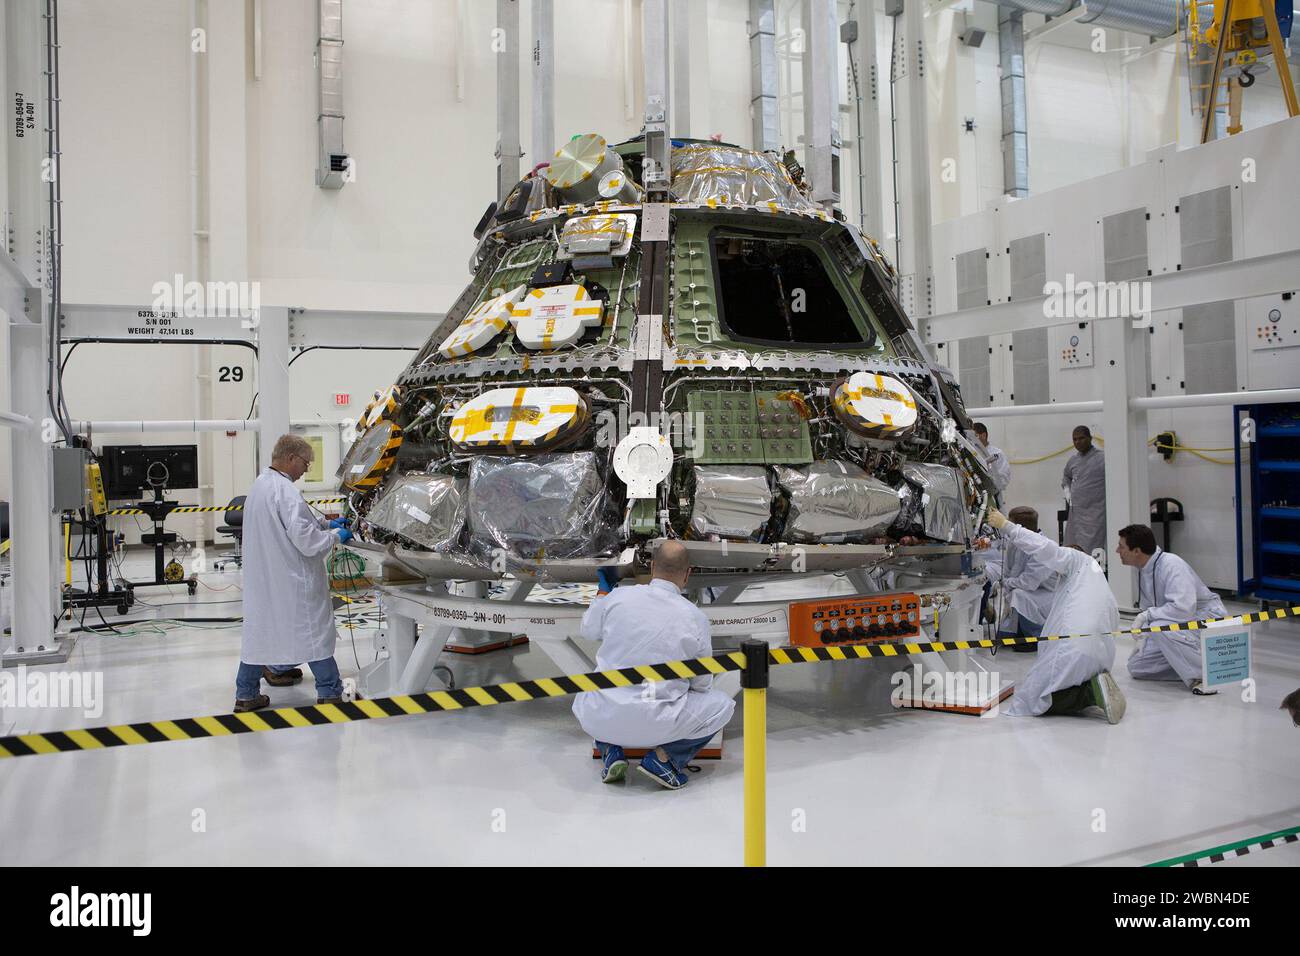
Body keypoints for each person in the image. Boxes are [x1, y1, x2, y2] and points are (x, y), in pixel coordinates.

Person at [572, 540, 736, 790]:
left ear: (651, 566)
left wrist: (603, 592)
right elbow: (702, 685)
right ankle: (664, 760)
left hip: (602, 717)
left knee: (586, 691)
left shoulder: (618, 598)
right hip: (661, 723)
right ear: (688, 574)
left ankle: (610, 750)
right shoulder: (695, 618)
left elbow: (588, 630)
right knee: (722, 705)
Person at [234, 434, 354, 712]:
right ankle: (330, 691)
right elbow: (307, 542)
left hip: (265, 581)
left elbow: (291, 523)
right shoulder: (286, 491)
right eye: (305, 463)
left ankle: (246, 694)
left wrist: (325, 523)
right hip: (293, 581)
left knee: (260, 637)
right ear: (290, 458)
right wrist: (335, 536)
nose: (306, 469)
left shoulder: (261, 485)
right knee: (313, 634)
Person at [988, 509, 1126, 723]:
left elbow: (1045, 548)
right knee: (1061, 676)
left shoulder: (1075, 558)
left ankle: (1089, 694)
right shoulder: (1094, 577)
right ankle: (1093, 683)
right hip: (1102, 656)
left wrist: (1007, 526)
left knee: (1033, 697)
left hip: (1075, 648)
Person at [1116, 523, 1227, 696]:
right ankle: (1195, 667)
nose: (1117, 551)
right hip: (1179, 623)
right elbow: (1151, 606)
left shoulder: (1172, 565)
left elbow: (1183, 609)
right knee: (1138, 667)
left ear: (1137, 551)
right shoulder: (1141, 569)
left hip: (1207, 618)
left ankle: (1203, 678)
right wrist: (1145, 634)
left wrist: (1147, 616)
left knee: (1161, 627)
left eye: (1121, 547)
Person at [979, 506, 1056, 653]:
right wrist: (1004, 583)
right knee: (1003, 634)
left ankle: (1034, 637)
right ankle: (1018, 630)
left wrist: (1004, 583)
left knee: (1019, 594)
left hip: (1044, 595)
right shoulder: (1016, 542)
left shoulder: (1042, 548)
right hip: (1023, 591)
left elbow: (1028, 583)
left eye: (1010, 524)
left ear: (1021, 528)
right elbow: (1009, 571)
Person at [1062, 425, 1106, 557]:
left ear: (1090, 438)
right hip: (1076, 513)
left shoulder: (1103, 458)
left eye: (1081, 438)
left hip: (1096, 513)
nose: (1078, 442)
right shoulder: (1073, 460)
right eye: (1075, 439)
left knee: (1094, 550)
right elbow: (1066, 477)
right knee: (1072, 549)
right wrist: (1067, 492)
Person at [973, 422, 1011, 504]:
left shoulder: (997, 453)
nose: (972, 440)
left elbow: (1003, 479)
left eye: (975, 436)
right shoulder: (970, 452)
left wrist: (989, 483)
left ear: (983, 435)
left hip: (993, 497)